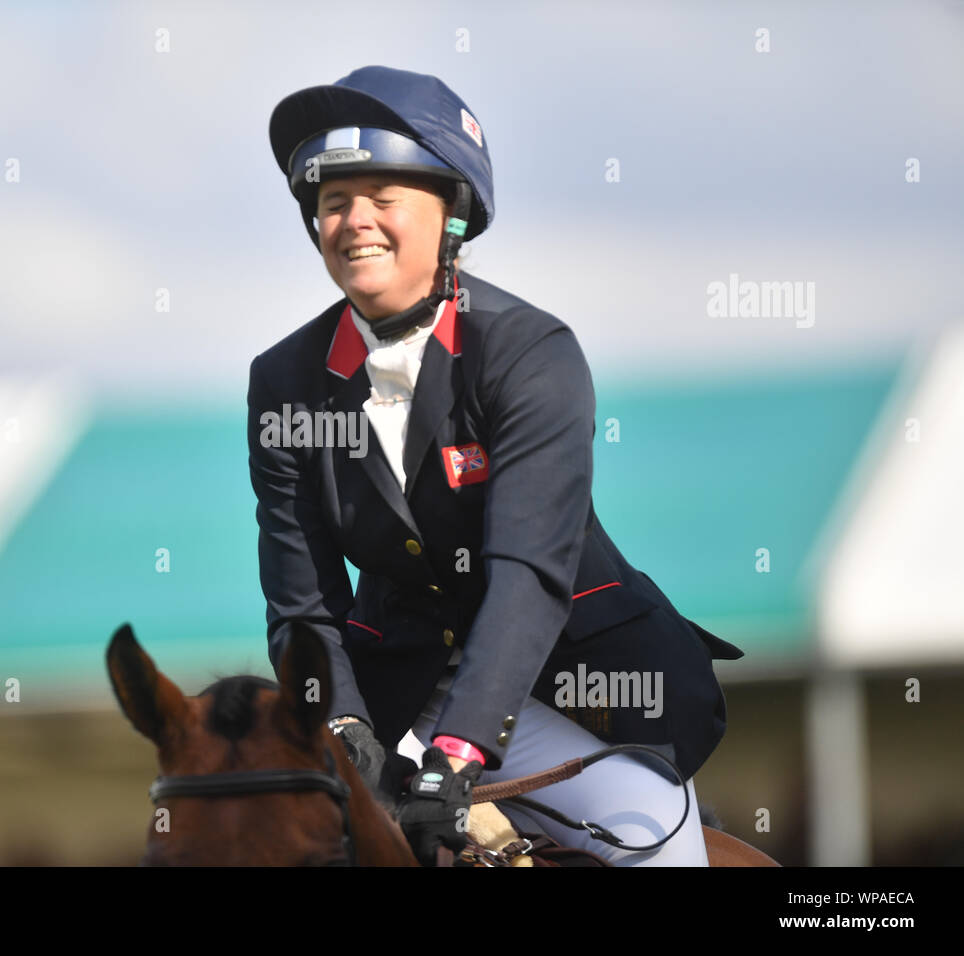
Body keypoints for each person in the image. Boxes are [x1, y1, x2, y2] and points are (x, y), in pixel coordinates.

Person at [250, 65, 744, 866]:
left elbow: (526, 576)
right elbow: (302, 603)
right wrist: (344, 729)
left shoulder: (530, 354)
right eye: (335, 202)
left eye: (384, 199)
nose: (353, 222)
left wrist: (458, 751)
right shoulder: (283, 380)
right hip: (394, 689)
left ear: (451, 217)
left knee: (654, 845)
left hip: (563, 684)